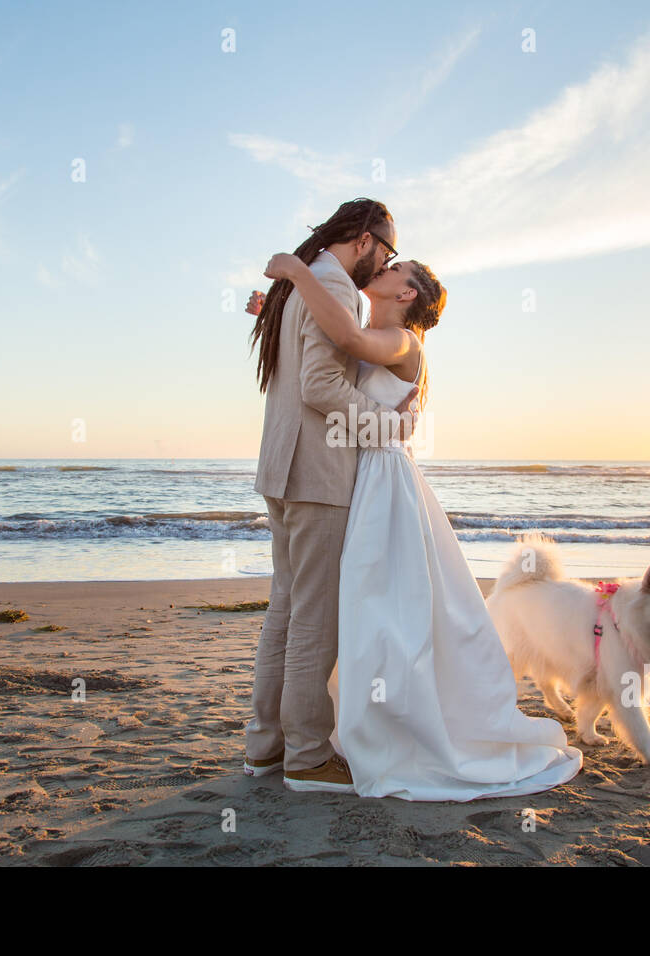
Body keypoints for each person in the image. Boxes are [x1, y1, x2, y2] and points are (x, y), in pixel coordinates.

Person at [257, 250, 583, 801]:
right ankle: (344, 730)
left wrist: (295, 272)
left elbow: (349, 343)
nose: (381, 270)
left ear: (407, 294)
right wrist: (273, 312)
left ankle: (394, 731)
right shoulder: (365, 327)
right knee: (366, 610)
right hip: (361, 477)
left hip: (384, 483)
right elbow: (335, 341)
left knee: (389, 611)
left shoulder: (404, 342)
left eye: (394, 270)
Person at [243, 198, 416, 792]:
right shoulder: (334, 287)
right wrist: (388, 425)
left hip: (280, 466)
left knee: (286, 611)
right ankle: (308, 755)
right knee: (314, 619)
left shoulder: (304, 284)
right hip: (316, 471)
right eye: (387, 252)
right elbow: (321, 385)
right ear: (365, 240)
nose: (385, 264)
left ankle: (265, 747)